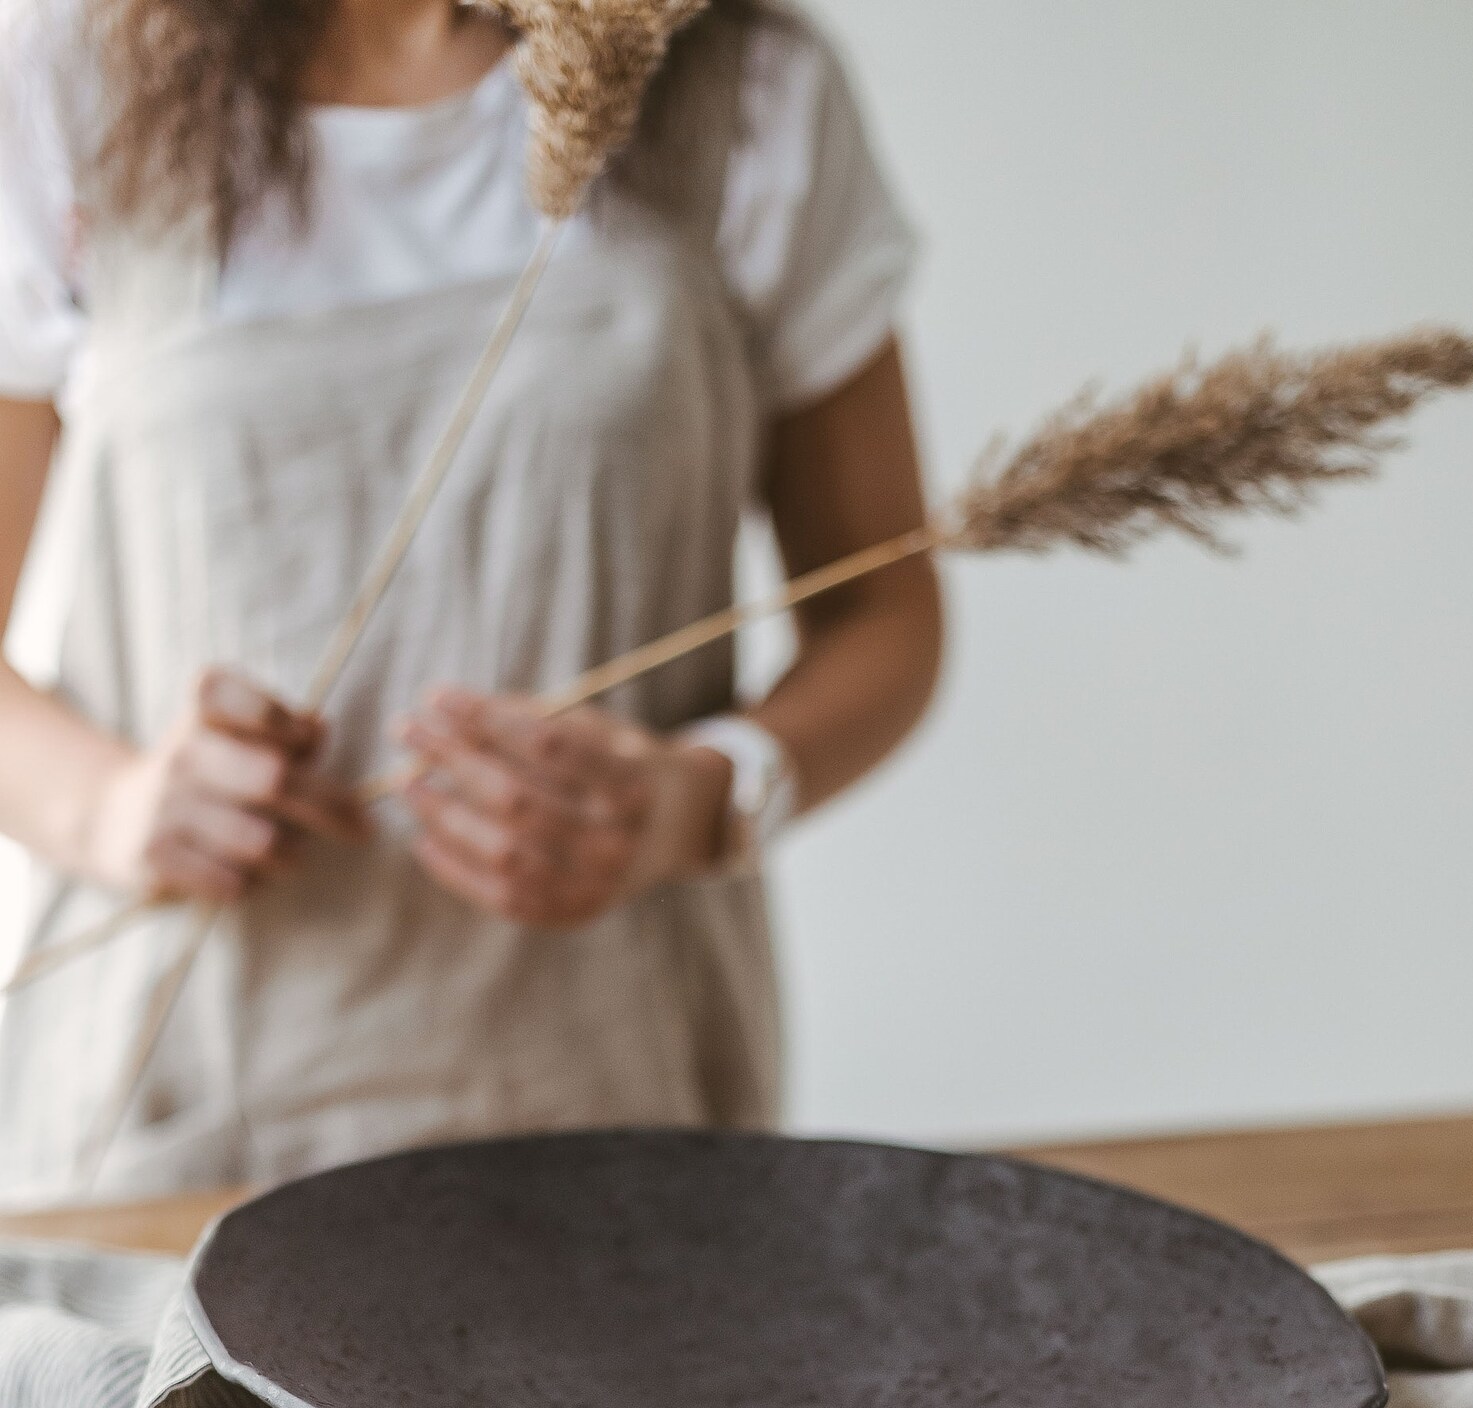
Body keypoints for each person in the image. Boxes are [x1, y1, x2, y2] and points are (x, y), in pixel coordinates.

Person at [0, 0, 941, 1203]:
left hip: (614, 1117)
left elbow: (885, 615)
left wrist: (700, 797)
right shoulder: (67, 79)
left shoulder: (751, 93)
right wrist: (115, 808)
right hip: (169, 1134)